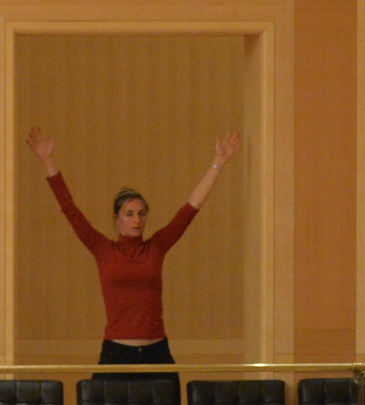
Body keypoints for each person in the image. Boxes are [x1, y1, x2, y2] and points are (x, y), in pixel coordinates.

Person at [26, 127, 240, 371]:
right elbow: (69, 208)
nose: (136, 220)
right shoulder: (102, 248)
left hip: (156, 352)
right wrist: (47, 160)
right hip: (116, 353)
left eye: (141, 214)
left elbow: (192, 206)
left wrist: (218, 163)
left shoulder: (157, 246)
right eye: (129, 214)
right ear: (117, 218)